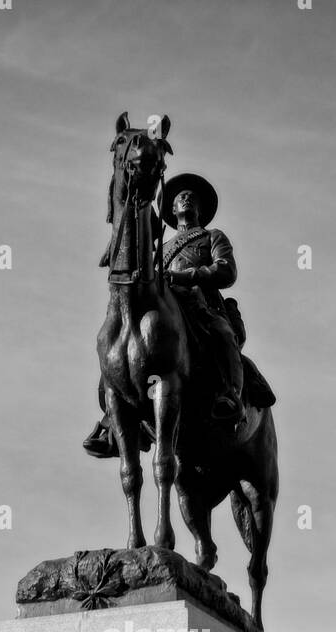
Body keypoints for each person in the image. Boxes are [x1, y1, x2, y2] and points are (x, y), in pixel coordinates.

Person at [83, 173, 246, 459]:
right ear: (171, 209)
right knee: (123, 345)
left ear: (200, 209)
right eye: (180, 196)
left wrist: (184, 276)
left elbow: (226, 271)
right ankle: (114, 418)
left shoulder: (212, 237)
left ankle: (230, 395)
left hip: (200, 307)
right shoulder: (163, 247)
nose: (185, 198)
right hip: (167, 307)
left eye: (192, 197)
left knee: (221, 333)